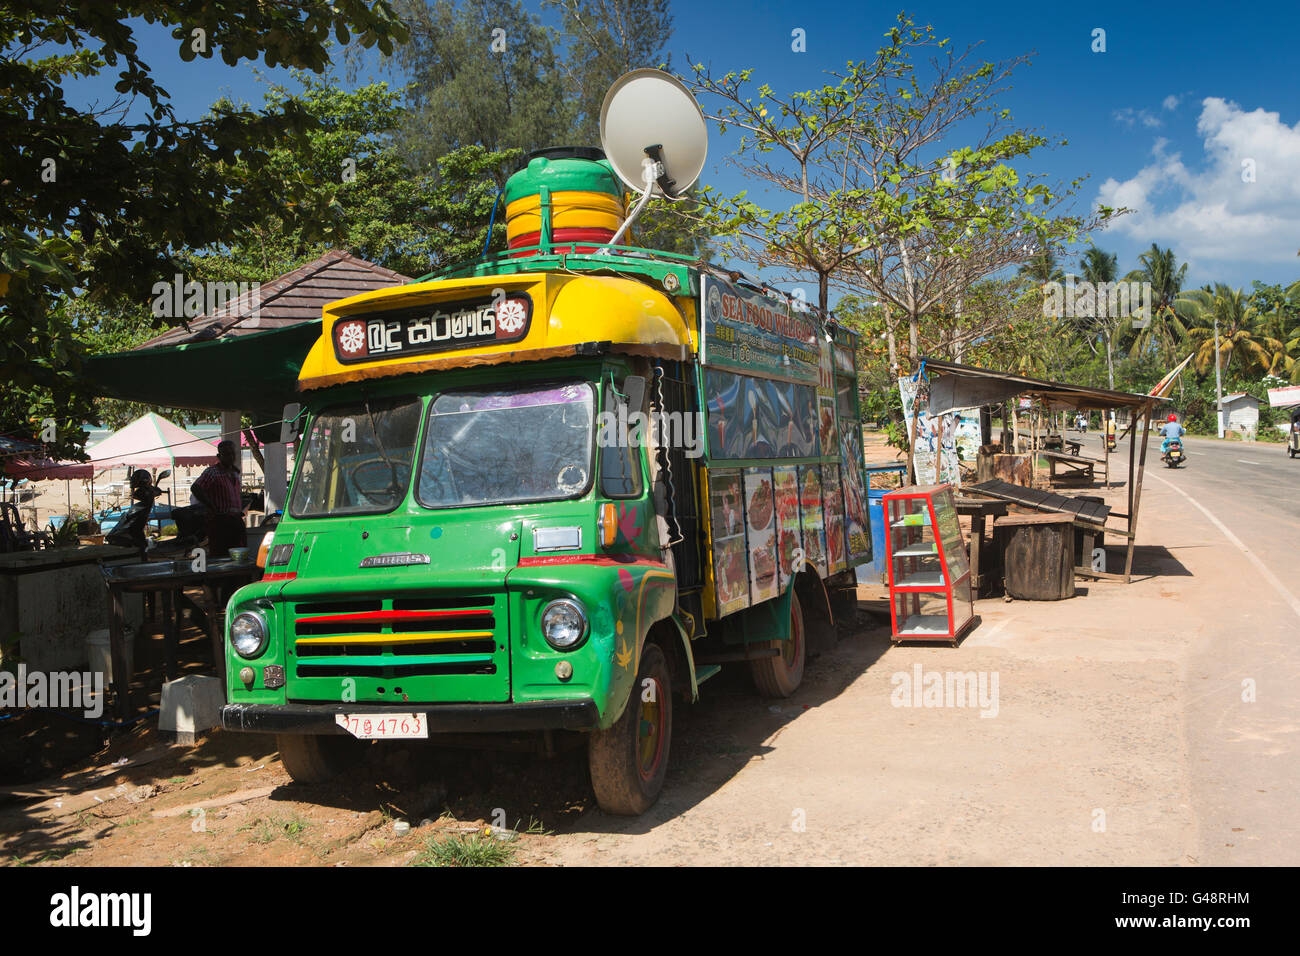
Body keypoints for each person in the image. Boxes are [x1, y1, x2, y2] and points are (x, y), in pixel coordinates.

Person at [190, 439, 244, 557]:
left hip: (236, 520)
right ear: (219, 456)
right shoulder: (212, 472)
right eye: (227, 454)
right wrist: (211, 506)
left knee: (238, 553)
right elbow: (195, 487)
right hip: (220, 521)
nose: (230, 456)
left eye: (232, 453)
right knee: (221, 554)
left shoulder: (235, 473)